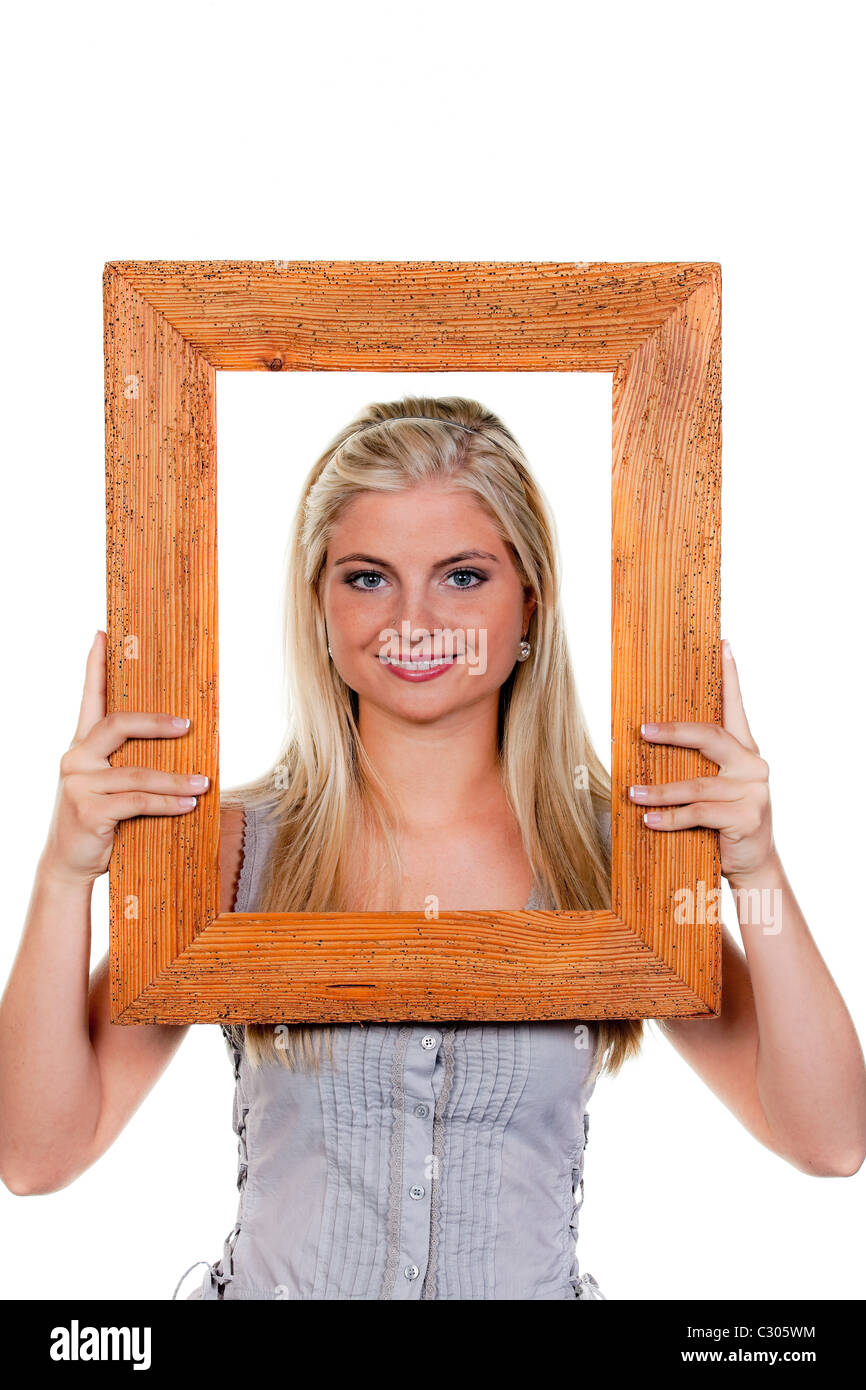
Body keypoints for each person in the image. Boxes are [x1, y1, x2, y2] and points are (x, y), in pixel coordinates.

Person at [2, 397, 864, 1302]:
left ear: (530, 601)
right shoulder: (230, 850)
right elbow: (36, 1155)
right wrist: (63, 876)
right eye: (368, 577)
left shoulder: (613, 859)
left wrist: (757, 872)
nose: (413, 619)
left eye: (462, 576)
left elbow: (829, 1139)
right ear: (320, 608)